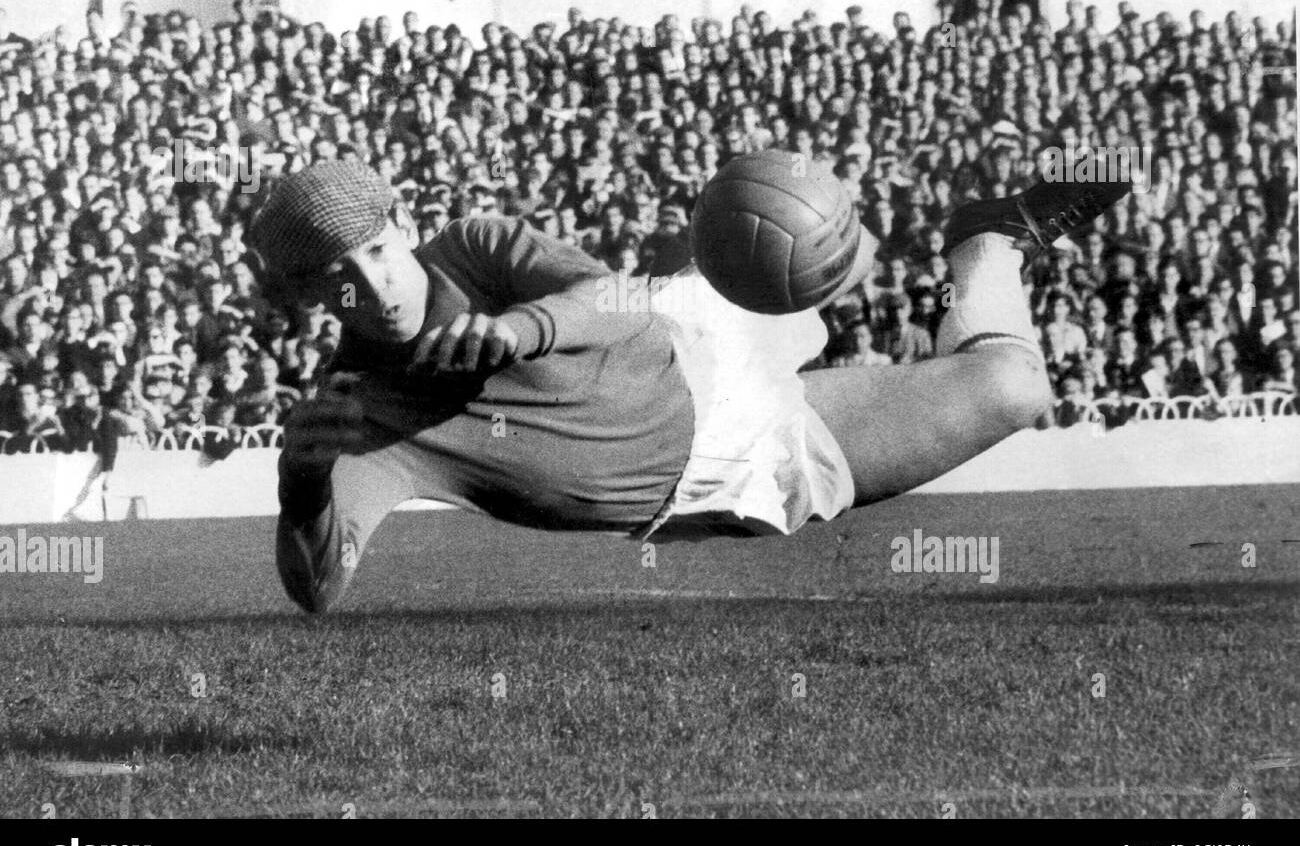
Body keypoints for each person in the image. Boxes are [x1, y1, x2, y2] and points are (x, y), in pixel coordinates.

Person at [253, 158, 1130, 614]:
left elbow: (615, 300)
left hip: (688, 327)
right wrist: (300, 487)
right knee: (1015, 386)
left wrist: (520, 326)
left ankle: (950, 246)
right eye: (338, 281)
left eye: (375, 251)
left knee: (835, 246)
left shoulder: (475, 246)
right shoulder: (356, 415)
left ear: (402, 227)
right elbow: (318, 589)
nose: (373, 286)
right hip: (722, 454)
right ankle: (990, 243)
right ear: (310, 301)